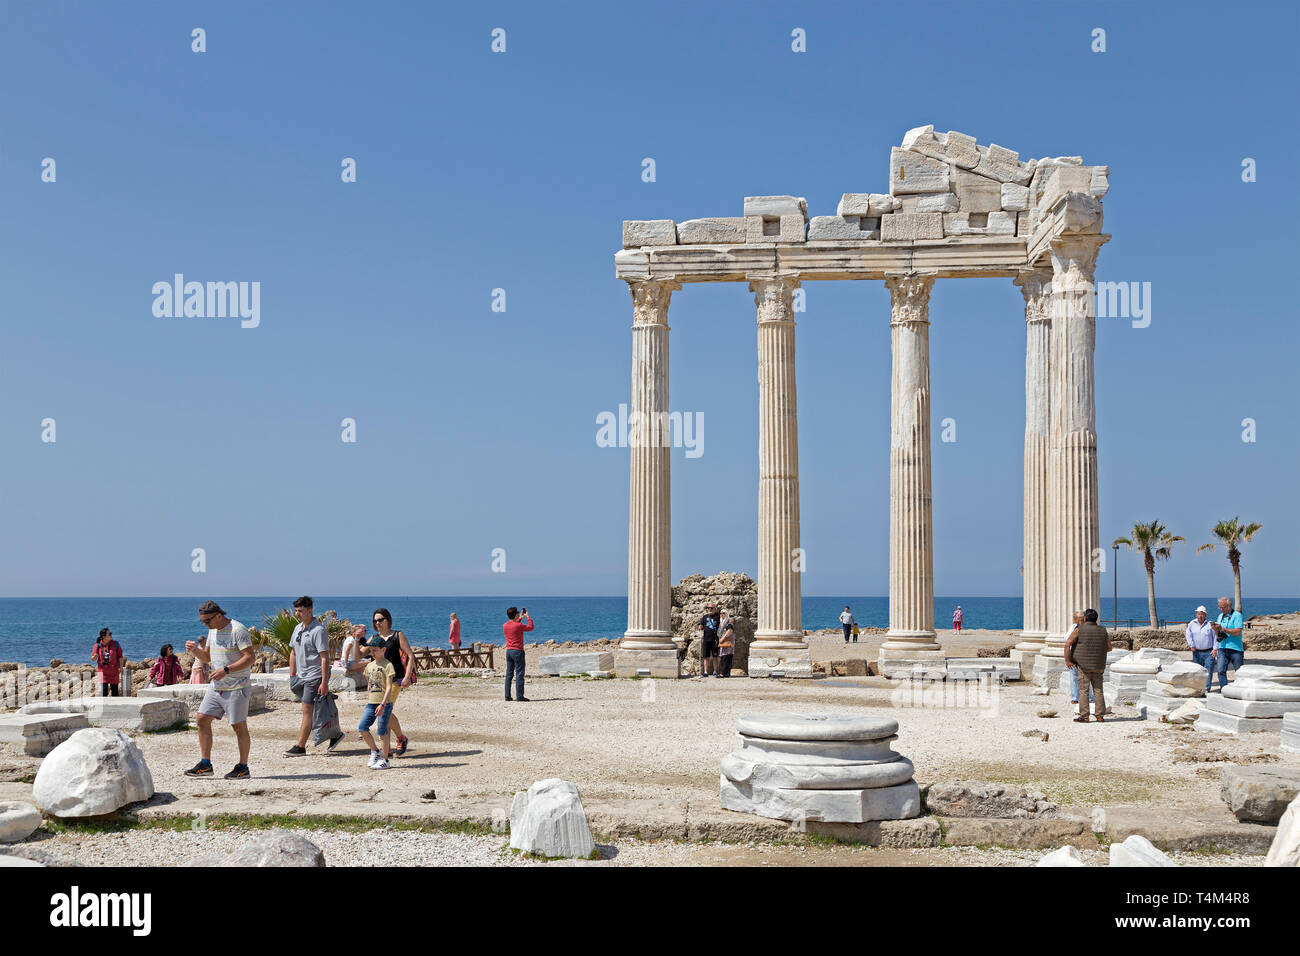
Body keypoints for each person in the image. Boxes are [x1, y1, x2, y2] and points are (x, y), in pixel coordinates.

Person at [184, 601, 256, 778]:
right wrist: (195, 650)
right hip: (216, 687)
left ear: (219, 615)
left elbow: (250, 658)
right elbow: (207, 657)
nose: (205, 624)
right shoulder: (212, 631)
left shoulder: (238, 630)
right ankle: (205, 764)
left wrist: (226, 670)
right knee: (201, 719)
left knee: (238, 726)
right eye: (202, 621)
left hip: (237, 686)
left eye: (207, 620)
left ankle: (243, 767)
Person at [284, 596, 343, 756]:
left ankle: (300, 746)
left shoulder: (318, 630)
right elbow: (293, 652)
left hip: (314, 676)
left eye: (301, 611)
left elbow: (324, 658)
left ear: (310, 610)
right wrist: (292, 675)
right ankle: (335, 734)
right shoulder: (297, 628)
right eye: (296, 611)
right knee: (318, 708)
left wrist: (324, 682)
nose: (297, 614)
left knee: (307, 711)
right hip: (299, 677)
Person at [372, 608, 415, 756]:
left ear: (388, 620)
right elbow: (362, 654)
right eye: (375, 620)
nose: (378, 623)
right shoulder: (374, 638)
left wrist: (407, 677)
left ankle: (399, 739)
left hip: (396, 680)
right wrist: (356, 640)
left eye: (380, 620)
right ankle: (390, 746)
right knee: (384, 712)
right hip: (379, 682)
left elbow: (410, 655)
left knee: (384, 710)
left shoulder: (397, 635)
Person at [1065, 609, 1111, 723]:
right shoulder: (1103, 630)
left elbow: (1067, 644)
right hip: (1098, 664)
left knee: (1083, 691)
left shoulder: (1079, 629)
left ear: (1085, 618)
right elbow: (1109, 648)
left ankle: (1085, 716)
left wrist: (1068, 660)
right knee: (1098, 690)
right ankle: (1100, 716)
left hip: (1083, 665)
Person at [358, 636, 396, 769]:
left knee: (382, 731)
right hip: (371, 703)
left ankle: (385, 760)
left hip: (384, 704)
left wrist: (383, 704)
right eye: (371, 650)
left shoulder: (388, 665)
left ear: (383, 650)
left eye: (375, 650)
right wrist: (370, 696)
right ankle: (375, 751)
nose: (373, 653)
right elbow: (368, 682)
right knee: (362, 728)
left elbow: (389, 687)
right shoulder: (369, 666)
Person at [1211, 596, 1246, 691]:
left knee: (1239, 672)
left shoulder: (1237, 615)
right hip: (1222, 647)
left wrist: (1223, 629)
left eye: (1223, 607)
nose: (1221, 609)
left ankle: (1240, 690)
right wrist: (1215, 630)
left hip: (1235, 649)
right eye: (1219, 607)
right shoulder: (1220, 616)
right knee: (1220, 671)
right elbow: (1219, 634)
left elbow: (1238, 632)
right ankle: (1224, 689)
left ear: (1229, 606)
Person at [503, 606, 534, 701]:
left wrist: (520, 617)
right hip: (518, 651)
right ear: (515, 615)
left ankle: (507, 695)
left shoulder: (505, 625)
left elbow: (514, 625)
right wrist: (528, 617)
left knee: (509, 674)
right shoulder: (518, 626)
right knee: (519, 673)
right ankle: (519, 696)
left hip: (509, 651)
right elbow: (531, 627)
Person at [1064, 610, 1093, 708]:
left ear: (1080, 618)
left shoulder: (1087, 628)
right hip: (1073, 655)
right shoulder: (1073, 627)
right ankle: (1075, 697)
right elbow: (1066, 639)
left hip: (1085, 656)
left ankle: (1089, 698)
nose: (1073, 619)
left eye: (1074, 617)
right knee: (1073, 676)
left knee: (1087, 677)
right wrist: (1067, 659)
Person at [1185, 605, 1217, 693]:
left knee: (1208, 670)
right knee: (1197, 670)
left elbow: (1216, 637)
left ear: (1205, 615)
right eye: (1199, 614)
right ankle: (1198, 687)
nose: (1200, 616)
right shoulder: (1192, 624)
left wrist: (1215, 649)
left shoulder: (1210, 624)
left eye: (1202, 614)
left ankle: (1207, 688)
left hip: (1209, 652)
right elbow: (1188, 635)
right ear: (1196, 614)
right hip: (1197, 652)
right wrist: (1191, 645)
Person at [92, 628, 125, 697]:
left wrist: (121, 668)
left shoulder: (115, 644)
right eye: (109, 634)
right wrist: (95, 656)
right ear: (104, 637)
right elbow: (93, 659)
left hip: (114, 672)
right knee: (104, 692)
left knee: (115, 693)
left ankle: (114, 704)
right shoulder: (97, 645)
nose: (111, 635)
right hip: (102, 672)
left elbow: (120, 656)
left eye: (111, 633)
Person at [700, 603, 721, 677]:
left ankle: (715, 671)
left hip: (715, 639)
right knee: (706, 656)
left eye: (711, 608)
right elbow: (701, 625)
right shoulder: (705, 617)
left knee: (715, 656)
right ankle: (706, 671)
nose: (709, 609)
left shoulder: (718, 617)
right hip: (706, 639)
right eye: (708, 608)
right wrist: (700, 627)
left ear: (715, 609)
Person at [718, 609, 735, 678]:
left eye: (723, 613)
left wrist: (722, 639)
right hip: (724, 642)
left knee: (726, 658)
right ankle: (726, 673)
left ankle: (723, 673)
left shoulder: (728, 622)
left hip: (727, 642)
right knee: (725, 657)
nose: (722, 614)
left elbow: (729, 631)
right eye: (720, 613)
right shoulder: (722, 623)